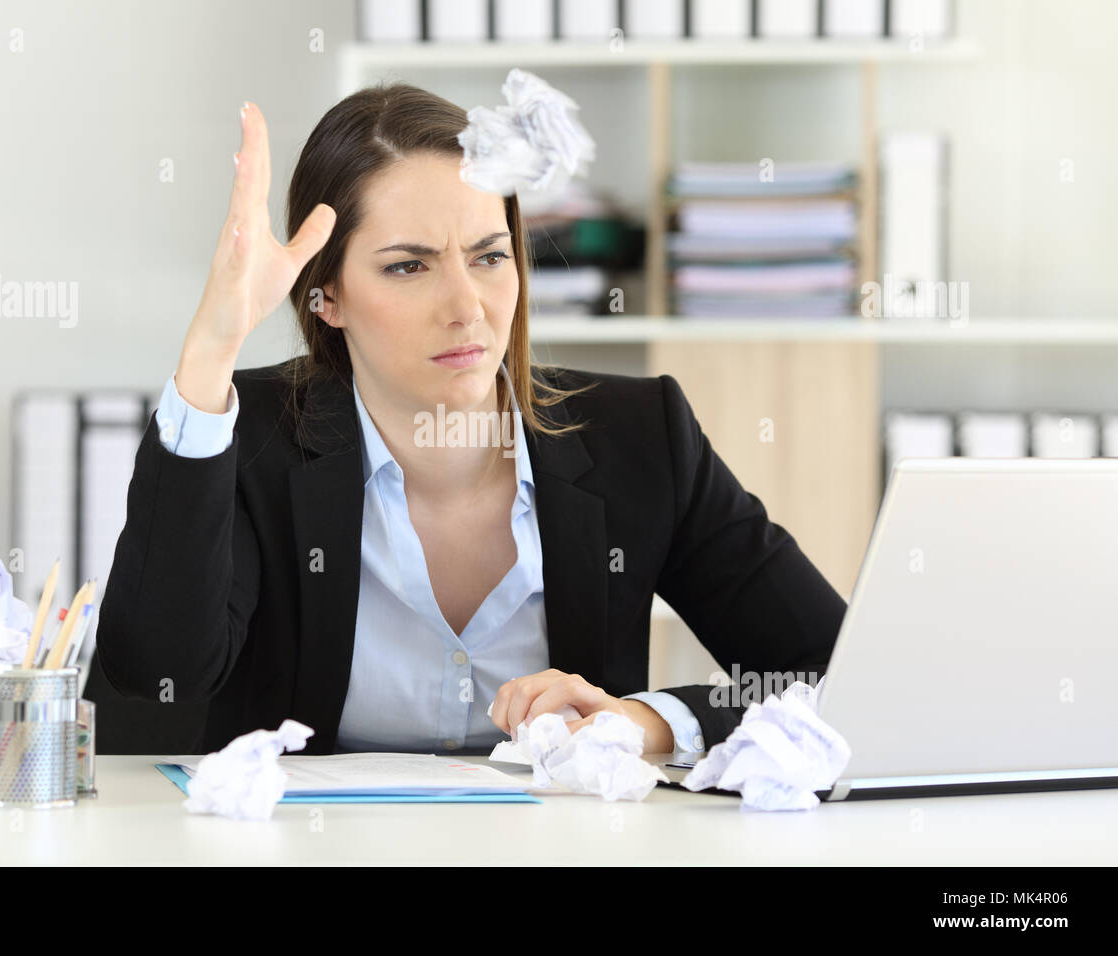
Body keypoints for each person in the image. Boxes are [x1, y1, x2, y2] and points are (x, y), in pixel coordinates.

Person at [92, 83, 845, 757]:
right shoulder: (249, 438)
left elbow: (832, 673)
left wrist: (644, 723)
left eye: (489, 257)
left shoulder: (641, 436)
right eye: (408, 266)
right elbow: (158, 674)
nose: (467, 307)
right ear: (327, 296)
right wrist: (212, 349)